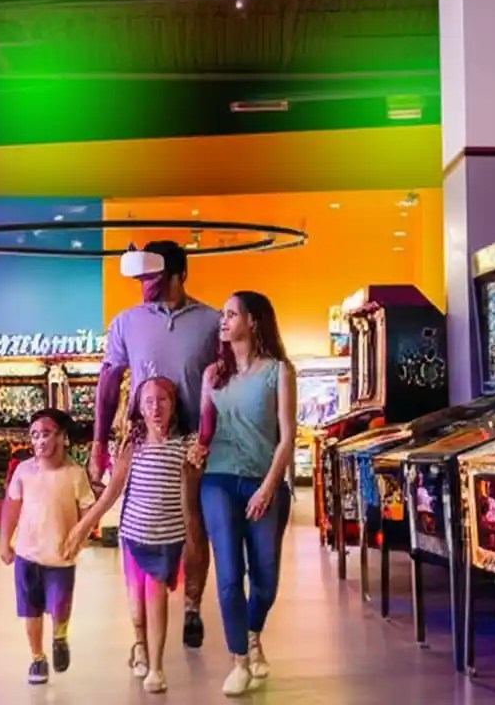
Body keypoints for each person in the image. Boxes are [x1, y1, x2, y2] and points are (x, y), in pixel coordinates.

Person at [91, 240, 219, 648]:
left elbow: (224, 384)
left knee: (193, 523)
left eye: (153, 275)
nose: (144, 283)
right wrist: (97, 443)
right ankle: (142, 627)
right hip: (141, 440)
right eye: (141, 275)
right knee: (137, 521)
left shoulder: (211, 321)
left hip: (194, 442)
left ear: (179, 274)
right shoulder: (126, 322)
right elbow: (108, 383)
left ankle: (193, 606)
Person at [65, 377, 200, 694]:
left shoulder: (183, 445)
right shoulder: (131, 447)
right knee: (137, 610)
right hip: (133, 537)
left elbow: (191, 497)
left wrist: (194, 537)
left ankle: (156, 666)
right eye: (149, 401)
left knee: (156, 600)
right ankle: (139, 646)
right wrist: (83, 526)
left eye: (163, 400)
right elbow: (111, 494)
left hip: (167, 538)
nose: (156, 407)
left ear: (173, 404)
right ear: (139, 407)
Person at [195, 291, 296, 697]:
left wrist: (269, 487)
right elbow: (205, 430)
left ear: (252, 321)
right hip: (217, 479)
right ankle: (239, 658)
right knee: (229, 575)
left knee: (267, 580)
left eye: (231, 314)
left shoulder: (279, 372)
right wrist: (195, 447)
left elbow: (287, 438)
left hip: (263, 480)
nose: (223, 320)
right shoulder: (213, 375)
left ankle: (252, 635)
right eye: (222, 314)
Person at [0, 408, 96, 685]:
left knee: (60, 606)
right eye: (34, 435)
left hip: (61, 557)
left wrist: (82, 536)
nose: (40, 441)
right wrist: (5, 542)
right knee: (30, 609)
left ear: (62, 437)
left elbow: (88, 510)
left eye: (46, 434)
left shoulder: (75, 474)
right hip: (27, 554)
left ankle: (60, 637)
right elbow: (12, 506)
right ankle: (37, 657)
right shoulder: (23, 471)